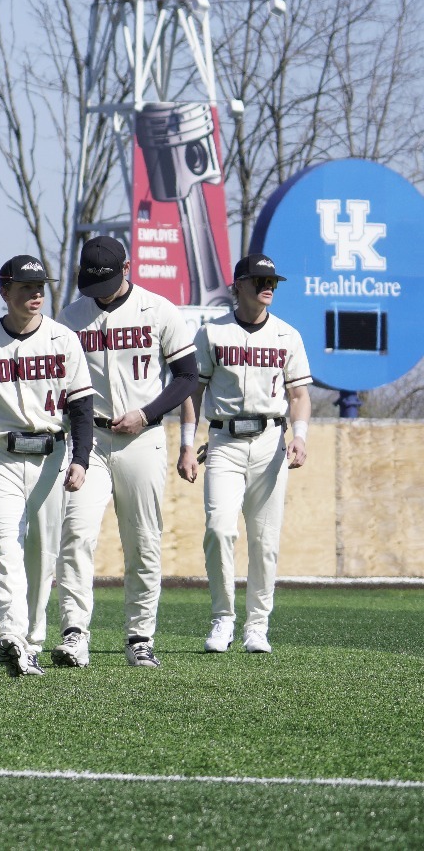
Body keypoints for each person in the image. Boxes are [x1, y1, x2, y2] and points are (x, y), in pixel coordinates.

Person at [53, 236, 198, 669]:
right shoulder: (71, 317)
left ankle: (140, 636)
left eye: (108, 282)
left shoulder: (159, 310)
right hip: (89, 440)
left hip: (142, 437)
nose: (99, 293)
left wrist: (148, 413)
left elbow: (187, 377)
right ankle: (74, 632)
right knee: (76, 534)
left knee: (143, 542)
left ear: (128, 268)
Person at [0, 254, 94, 677]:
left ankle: (31, 637)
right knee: (7, 547)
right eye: (25, 287)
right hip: (0, 457)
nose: (34, 294)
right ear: (4, 292)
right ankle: (10, 636)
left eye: (39, 287)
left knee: (42, 555)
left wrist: (82, 459)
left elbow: (82, 407)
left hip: (51, 454)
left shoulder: (64, 339)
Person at [179, 253, 311, 655]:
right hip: (223, 442)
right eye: (258, 280)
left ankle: (258, 625)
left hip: (271, 442)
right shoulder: (211, 333)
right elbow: (193, 390)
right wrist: (187, 443)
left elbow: (300, 393)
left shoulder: (287, 335)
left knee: (264, 540)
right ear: (238, 285)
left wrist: (300, 436)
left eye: (272, 280)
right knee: (219, 530)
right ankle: (223, 618)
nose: (267, 286)